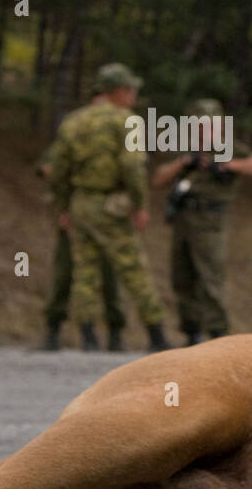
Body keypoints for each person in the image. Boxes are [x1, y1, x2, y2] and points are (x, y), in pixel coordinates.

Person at [47, 63, 169, 352]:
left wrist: (63, 207)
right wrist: (140, 205)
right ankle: (157, 336)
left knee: (84, 271)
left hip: (80, 204)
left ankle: (88, 336)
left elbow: (59, 170)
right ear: (120, 91)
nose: (134, 95)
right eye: (131, 89)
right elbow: (132, 166)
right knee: (133, 268)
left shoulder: (74, 121)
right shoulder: (127, 121)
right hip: (111, 206)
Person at [151, 98, 252, 345]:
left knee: (210, 277)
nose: (205, 130)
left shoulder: (229, 148)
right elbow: (158, 179)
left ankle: (217, 334)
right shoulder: (186, 150)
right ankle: (191, 332)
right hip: (183, 219)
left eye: (210, 124)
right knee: (182, 277)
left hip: (211, 221)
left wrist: (228, 164)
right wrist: (183, 163)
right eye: (199, 125)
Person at [36, 140, 126, 351]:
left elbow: (130, 177)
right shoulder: (73, 136)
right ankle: (55, 329)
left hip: (107, 219)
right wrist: (64, 206)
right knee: (64, 273)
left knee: (109, 275)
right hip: (74, 217)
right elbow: (47, 169)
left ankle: (115, 333)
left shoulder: (115, 139)